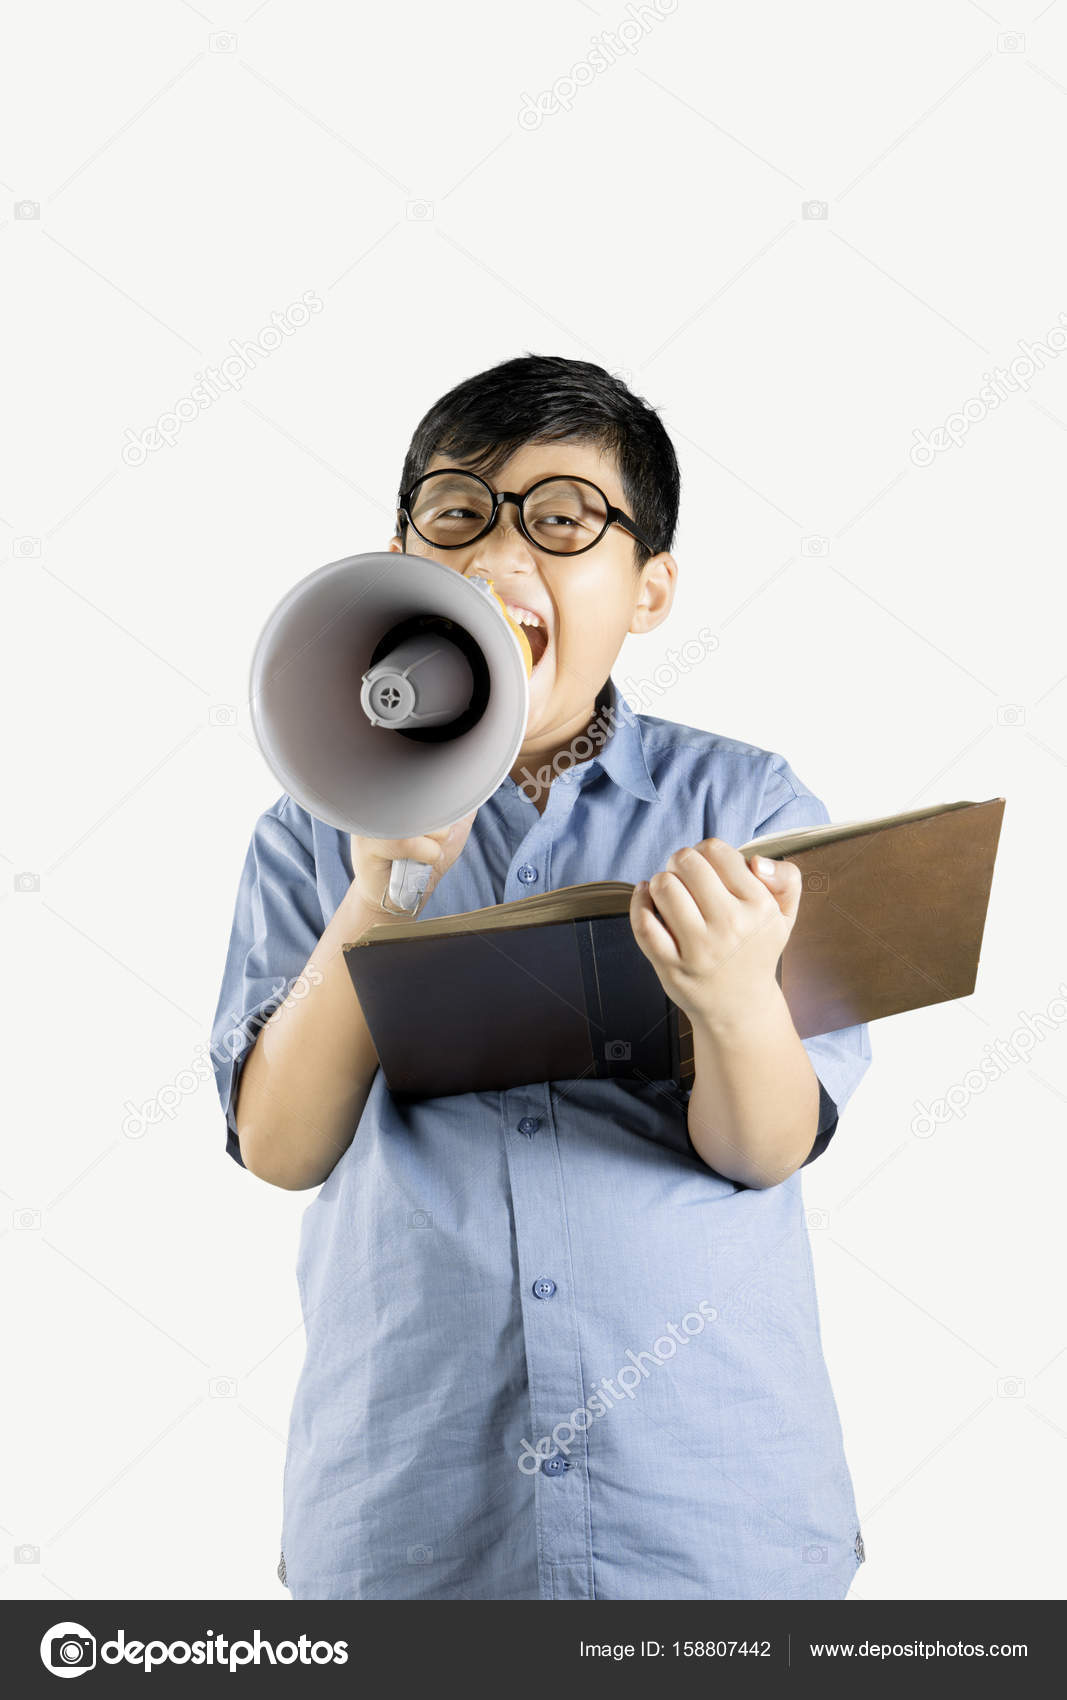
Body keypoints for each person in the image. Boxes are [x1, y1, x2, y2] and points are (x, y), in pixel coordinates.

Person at [210, 353, 871, 1600]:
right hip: (411, 1516)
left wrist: (731, 999)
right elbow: (281, 1146)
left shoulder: (746, 805)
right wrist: (375, 896)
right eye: (456, 513)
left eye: (563, 519)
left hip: (704, 1510)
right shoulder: (312, 822)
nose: (497, 557)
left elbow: (764, 1146)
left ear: (650, 587)